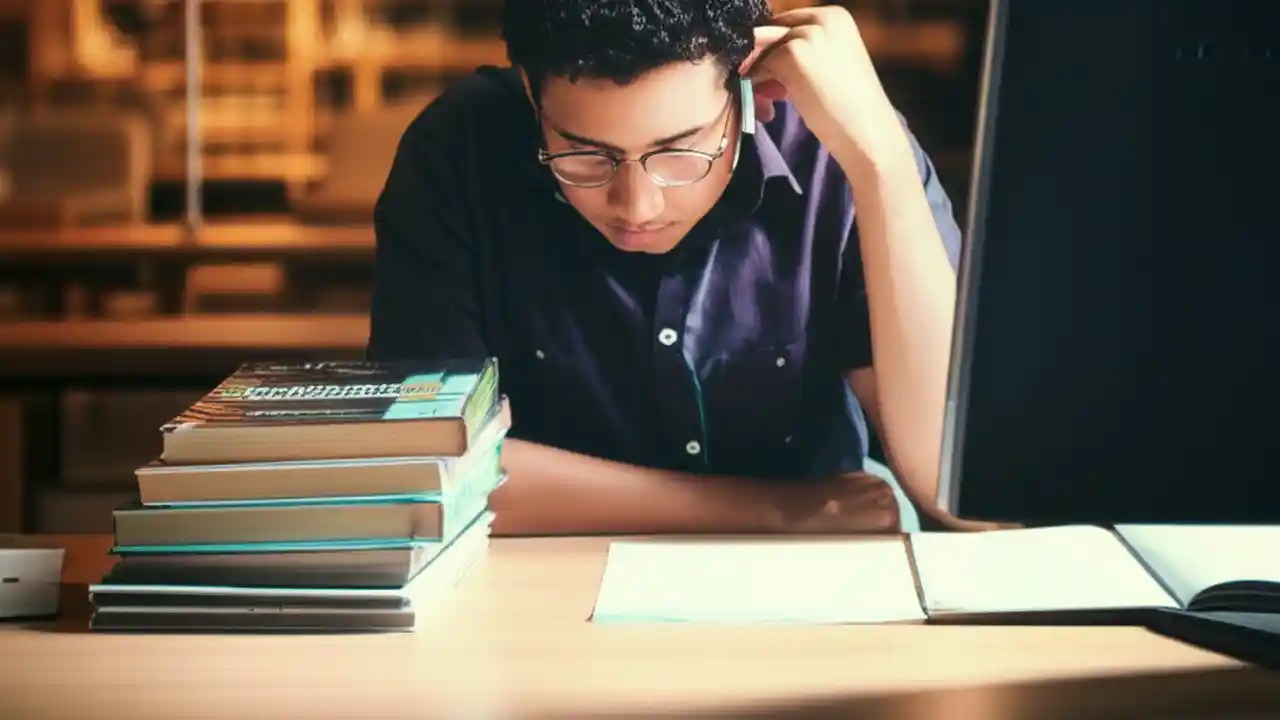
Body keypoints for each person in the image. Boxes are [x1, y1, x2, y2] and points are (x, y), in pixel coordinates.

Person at [369, 0, 969, 535]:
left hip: (809, 587)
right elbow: (428, 466)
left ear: (749, 89)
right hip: (539, 600)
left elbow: (957, 478)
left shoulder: (837, 143)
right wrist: (778, 510)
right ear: (531, 92)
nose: (638, 207)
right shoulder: (458, 152)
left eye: (680, 151)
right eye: (585, 154)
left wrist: (882, 163)